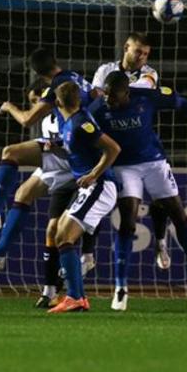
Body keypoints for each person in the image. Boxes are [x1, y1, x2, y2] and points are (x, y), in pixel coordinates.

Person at [89, 71, 187, 310]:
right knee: (128, 220)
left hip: (155, 163)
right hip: (125, 167)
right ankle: (121, 288)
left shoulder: (146, 96)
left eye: (113, 97)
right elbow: (81, 125)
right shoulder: (98, 107)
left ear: (126, 93)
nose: (109, 101)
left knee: (179, 215)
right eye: (107, 95)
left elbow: (183, 103)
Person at [0, 49, 94, 271]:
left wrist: (9, 106)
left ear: (37, 73)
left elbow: (26, 120)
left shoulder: (58, 86)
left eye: (37, 100)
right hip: (69, 152)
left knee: (10, 152)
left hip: (72, 153)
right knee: (23, 194)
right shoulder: (75, 77)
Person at [91, 32, 171, 269]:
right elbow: (96, 97)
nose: (141, 57)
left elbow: (141, 88)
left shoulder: (150, 73)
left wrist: (114, 92)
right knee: (103, 203)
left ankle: (161, 241)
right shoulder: (104, 70)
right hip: (113, 148)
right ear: (126, 48)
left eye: (146, 54)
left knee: (162, 200)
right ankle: (87, 255)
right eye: (138, 51)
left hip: (142, 142)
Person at [47, 81, 121, 313]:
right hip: (90, 187)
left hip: (100, 185)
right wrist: (57, 146)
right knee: (61, 234)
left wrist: (92, 174)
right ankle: (77, 296)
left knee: (64, 236)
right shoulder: (71, 123)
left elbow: (113, 149)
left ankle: (75, 296)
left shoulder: (82, 122)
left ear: (58, 102)